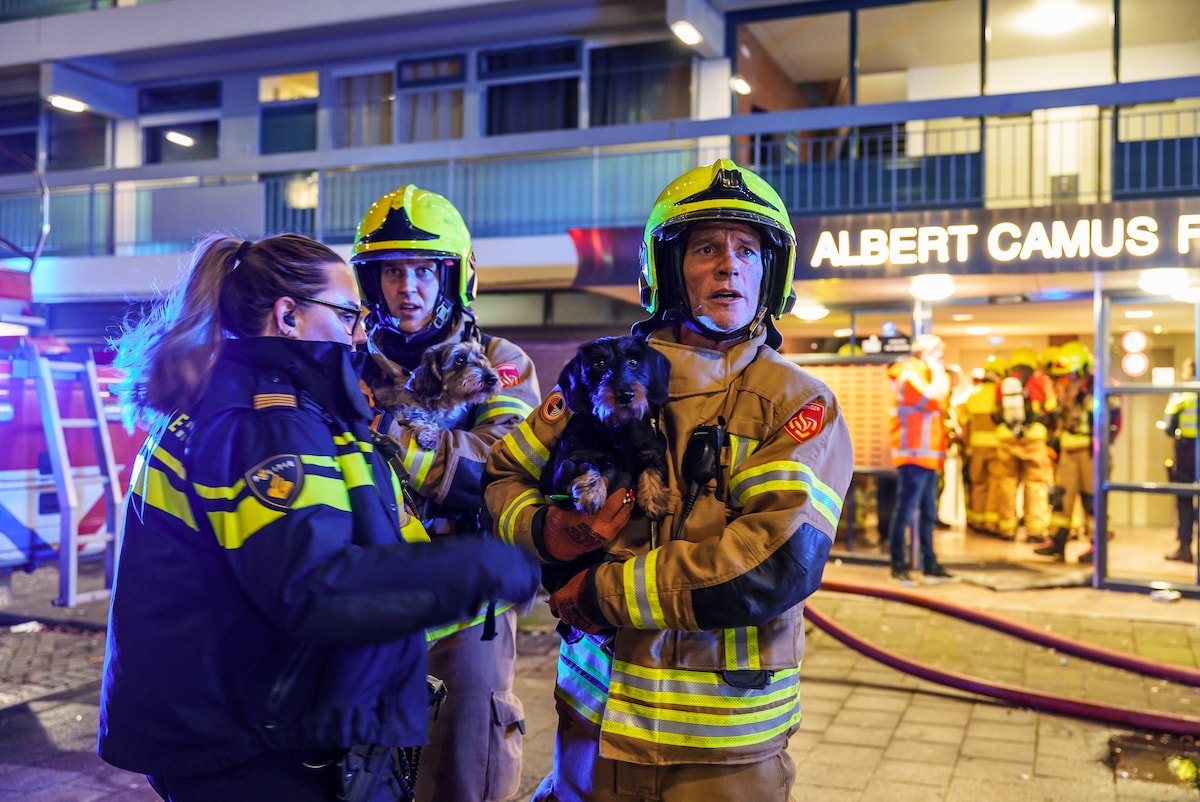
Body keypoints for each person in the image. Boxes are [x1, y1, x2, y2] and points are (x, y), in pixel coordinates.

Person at [97, 233, 540, 802]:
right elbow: (313, 587)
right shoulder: (264, 421)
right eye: (347, 314)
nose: (361, 332)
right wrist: (484, 565)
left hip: (259, 724)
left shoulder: (284, 404)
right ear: (289, 316)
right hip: (253, 744)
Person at [485, 159, 854, 801]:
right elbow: (503, 474)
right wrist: (550, 530)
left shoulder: (794, 402)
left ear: (772, 272)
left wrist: (601, 592)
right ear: (667, 268)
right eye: (706, 247)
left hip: (721, 755)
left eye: (747, 249)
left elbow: (773, 563)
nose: (728, 265)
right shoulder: (610, 374)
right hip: (591, 734)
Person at [351, 185, 542, 802]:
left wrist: (395, 437)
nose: (407, 287)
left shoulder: (499, 363)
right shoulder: (345, 364)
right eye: (390, 272)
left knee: (463, 777)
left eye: (423, 271)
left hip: (466, 617)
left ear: (453, 278)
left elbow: (505, 467)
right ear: (369, 282)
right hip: (362, 606)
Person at [886, 333, 953, 582]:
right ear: (925, 354)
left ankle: (929, 563)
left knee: (928, 513)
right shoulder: (910, 376)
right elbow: (936, 401)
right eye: (939, 355)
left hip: (927, 458)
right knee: (905, 512)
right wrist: (938, 373)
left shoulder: (920, 375)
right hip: (913, 457)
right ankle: (898, 564)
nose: (942, 361)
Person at [992, 346, 1057, 542]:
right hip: (1034, 438)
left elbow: (994, 412)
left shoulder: (1002, 384)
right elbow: (1052, 407)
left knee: (1007, 483)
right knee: (1035, 484)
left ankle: (1007, 529)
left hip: (1007, 438)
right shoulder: (1040, 381)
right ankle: (1034, 531)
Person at [961, 356, 1004, 535]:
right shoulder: (1000, 395)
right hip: (997, 447)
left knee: (977, 485)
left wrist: (967, 447)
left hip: (976, 448)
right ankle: (991, 523)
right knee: (995, 485)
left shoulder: (973, 395)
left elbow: (965, 424)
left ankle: (976, 521)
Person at [1163, 356, 1197, 564]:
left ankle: (1185, 548)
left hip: (1186, 451)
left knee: (1185, 499)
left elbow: (1169, 427)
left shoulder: (1181, 394)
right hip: (1193, 450)